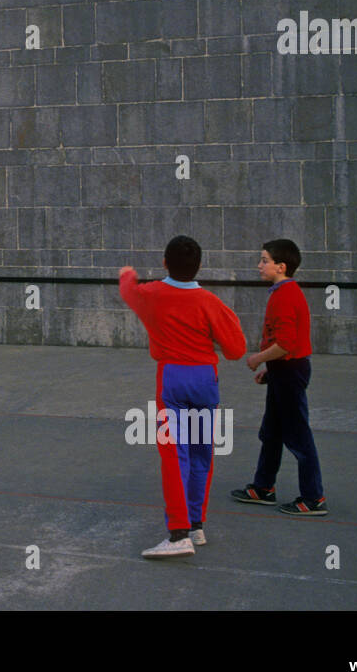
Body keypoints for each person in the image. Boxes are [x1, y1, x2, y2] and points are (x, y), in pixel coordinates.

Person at [119, 236, 247, 559]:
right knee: (203, 453)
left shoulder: (151, 294)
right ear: (199, 266)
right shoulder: (210, 302)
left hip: (172, 377)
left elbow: (128, 291)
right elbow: (236, 350)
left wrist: (127, 274)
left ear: (164, 263)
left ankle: (178, 534)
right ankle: (196, 524)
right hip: (205, 378)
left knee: (175, 455)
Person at [231, 239, 327, 515]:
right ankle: (263, 488)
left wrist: (257, 359)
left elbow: (286, 344)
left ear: (280, 266)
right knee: (271, 433)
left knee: (298, 437)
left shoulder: (285, 295)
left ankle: (313, 498)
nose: (259, 265)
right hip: (284, 372)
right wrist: (270, 373)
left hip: (290, 372)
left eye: (264, 260)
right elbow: (287, 347)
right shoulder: (283, 292)